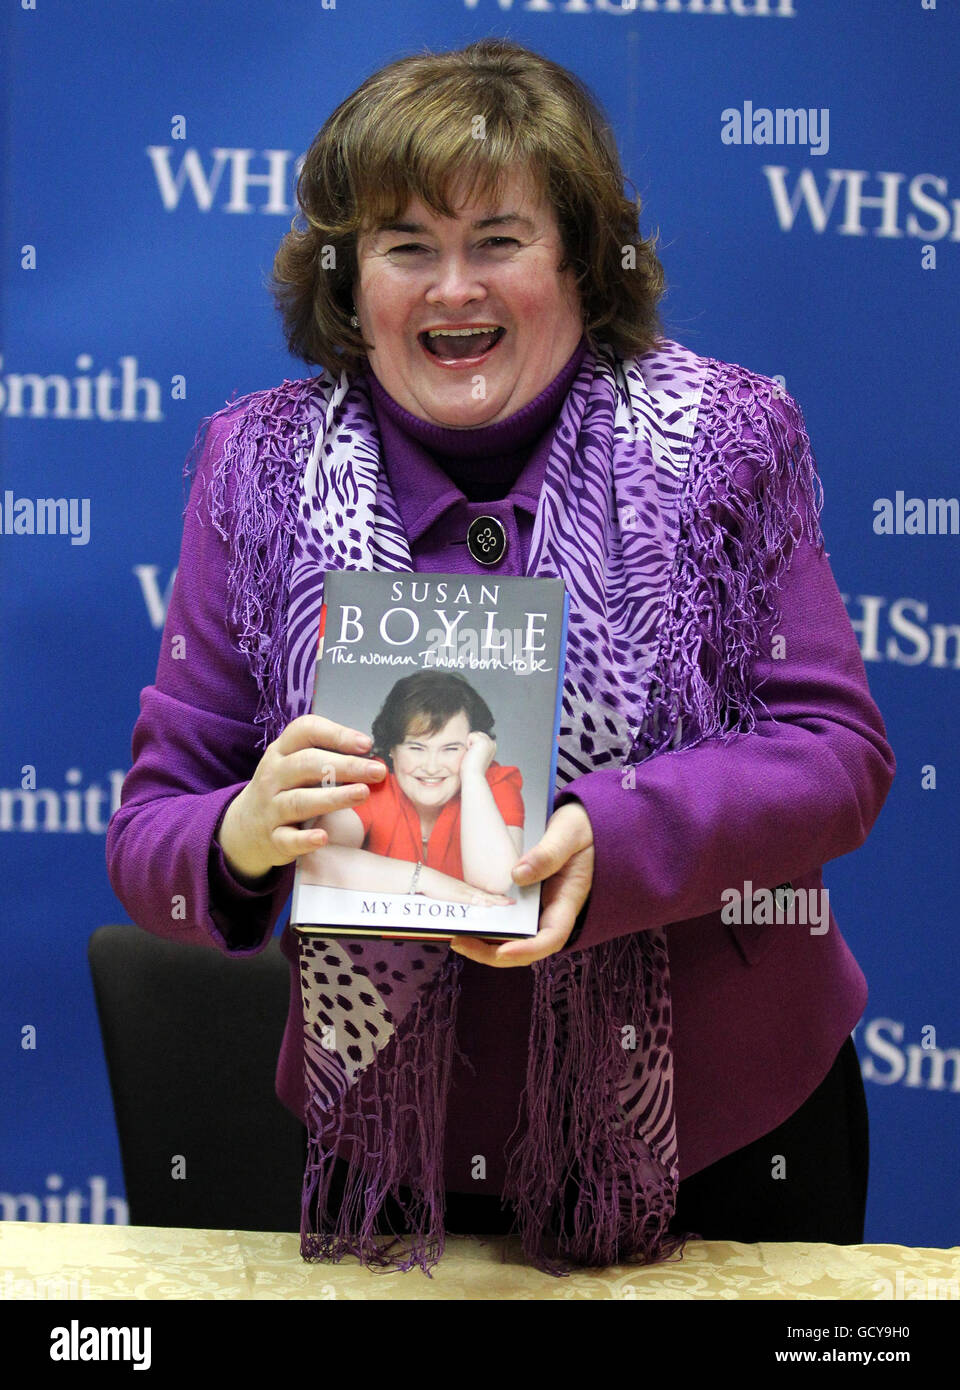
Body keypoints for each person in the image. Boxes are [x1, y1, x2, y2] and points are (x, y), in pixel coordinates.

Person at [106, 38, 896, 1276]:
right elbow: (151, 833)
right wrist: (243, 832)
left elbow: (837, 755)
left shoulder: (727, 440)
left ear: (579, 258)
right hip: (400, 1157)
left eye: (499, 239)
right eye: (405, 246)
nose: (453, 288)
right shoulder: (256, 470)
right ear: (348, 279)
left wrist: (614, 833)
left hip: (730, 1126)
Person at [297, 670, 526, 898]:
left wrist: (473, 774)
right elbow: (313, 859)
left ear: (473, 749)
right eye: (416, 748)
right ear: (392, 748)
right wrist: (426, 879)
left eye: (451, 749)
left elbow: (496, 881)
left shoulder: (493, 782)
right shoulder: (372, 782)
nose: (432, 767)